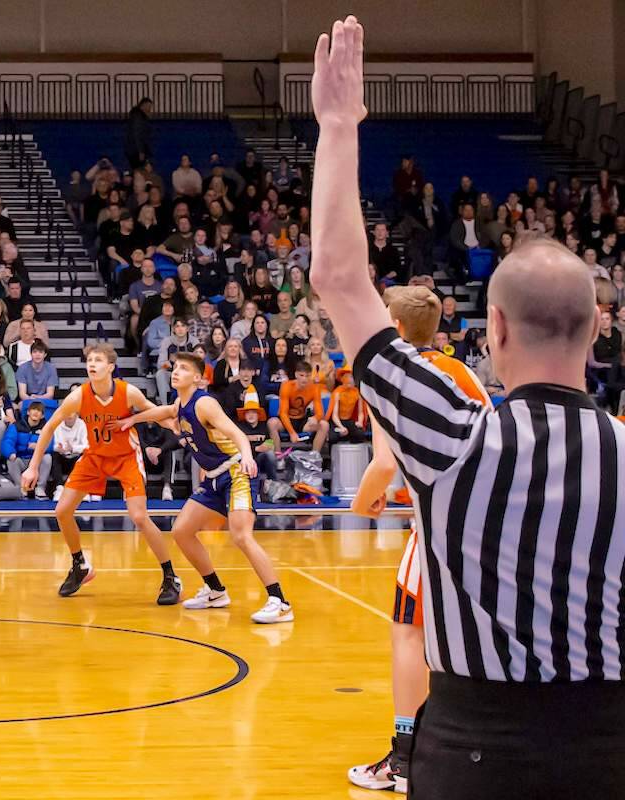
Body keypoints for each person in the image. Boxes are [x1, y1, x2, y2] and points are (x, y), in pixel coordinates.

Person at [312, 18, 625, 797]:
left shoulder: (451, 433)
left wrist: (339, 125)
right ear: (595, 330)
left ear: (496, 330)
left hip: (471, 753)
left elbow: (341, 281)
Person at [345, 285, 491, 793]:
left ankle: (405, 757)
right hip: (487, 522)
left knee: (408, 631)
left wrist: (363, 503)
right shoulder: (464, 371)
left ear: (397, 330)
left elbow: (383, 464)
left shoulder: (396, 379)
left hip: (440, 522)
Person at [120, 352, 292, 622]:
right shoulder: (180, 403)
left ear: (198, 378)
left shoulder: (205, 404)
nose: (176, 372)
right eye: (175, 367)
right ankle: (215, 590)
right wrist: (133, 420)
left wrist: (247, 456)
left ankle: (280, 601)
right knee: (182, 531)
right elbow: (163, 411)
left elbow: (236, 432)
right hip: (213, 478)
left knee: (241, 536)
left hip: (235, 471)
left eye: (184, 369)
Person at [21, 344, 181, 604]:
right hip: (95, 457)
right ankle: (80, 565)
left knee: (139, 516)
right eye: (89, 360)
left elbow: (154, 411)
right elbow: (49, 427)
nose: (91, 364)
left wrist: (173, 424)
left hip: (126, 457)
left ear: (111, 367)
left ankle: (170, 576)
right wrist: (33, 466)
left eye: (98, 360)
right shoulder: (79, 397)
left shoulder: (128, 392)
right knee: (62, 511)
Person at [267, 362, 328, 452]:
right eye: (302, 375)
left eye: (307, 376)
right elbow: (283, 413)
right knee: (271, 423)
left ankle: (314, 457)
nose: (304, 379)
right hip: (286, 420)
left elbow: (320, 412)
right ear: (296, 374)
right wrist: (292, 433)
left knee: (324, 425)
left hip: (302, 420)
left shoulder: (315, 388)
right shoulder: (286, 386)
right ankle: (278, 455)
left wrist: (316, 418)